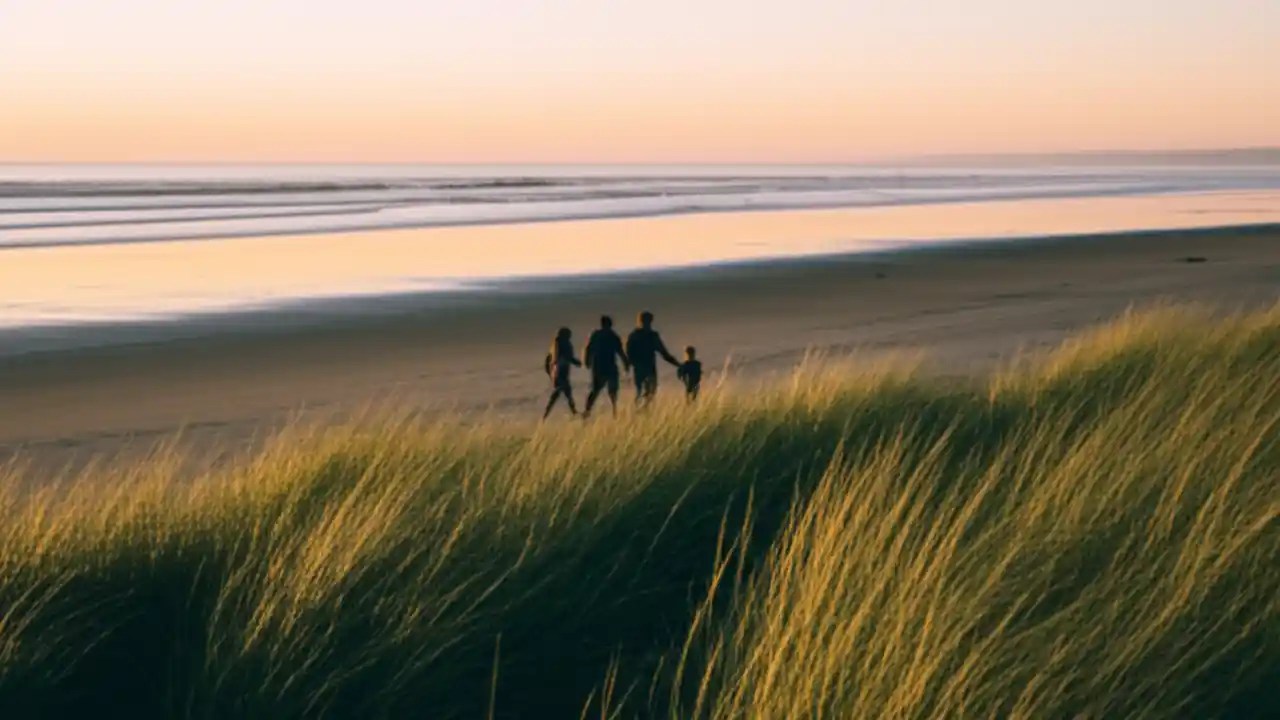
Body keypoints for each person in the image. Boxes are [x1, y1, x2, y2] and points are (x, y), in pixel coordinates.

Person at [625, 311, 680, 406]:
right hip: (648, 369)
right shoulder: (651, 336)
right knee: (649, 392)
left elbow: (629, 353)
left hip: (640, 369)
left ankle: (640, 411)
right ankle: (643, 411)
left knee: (643, 392)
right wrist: (677, 364)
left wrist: (630, 364)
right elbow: (664, 353)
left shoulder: (634, 336)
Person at [583, 315, 630, 417]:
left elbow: (588, 349)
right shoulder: (612, 336)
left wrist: (587, 361)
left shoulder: (597, 335)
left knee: (596, 391)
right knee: (610, 391)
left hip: (600, 367)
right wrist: (626, 363)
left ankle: (588, 411)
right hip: (608, 367)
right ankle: (613, 411)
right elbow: (620, 352)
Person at [542, 327, 582, 419]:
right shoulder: (564, 344)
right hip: (561, 373)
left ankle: (573, 412)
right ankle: (573, 413)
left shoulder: (555, 345)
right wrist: (578, 363)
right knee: (561, 394)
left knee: (564, 394)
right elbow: (568, 357)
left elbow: (548, 360)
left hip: (557, 374)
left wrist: (550, 373)